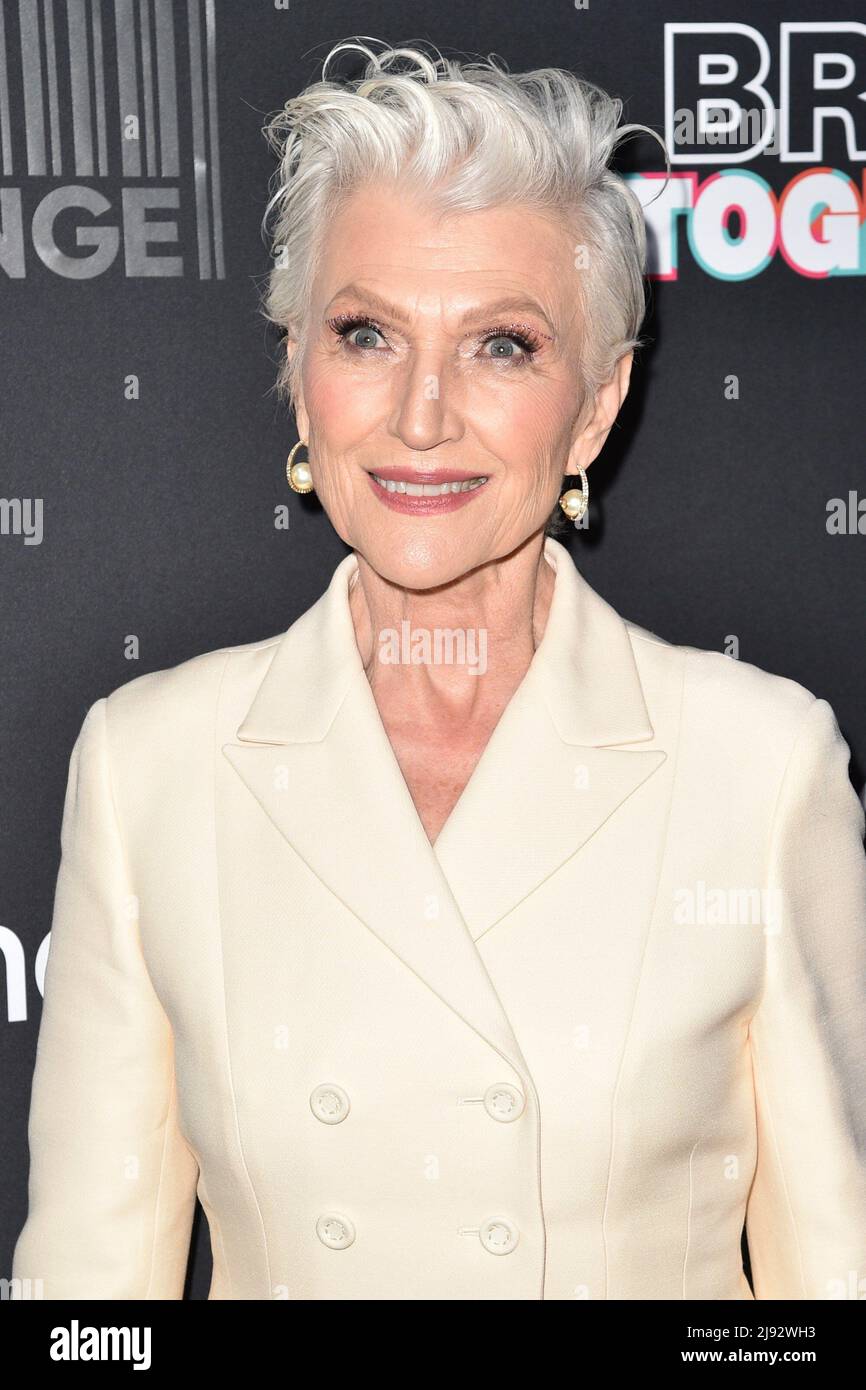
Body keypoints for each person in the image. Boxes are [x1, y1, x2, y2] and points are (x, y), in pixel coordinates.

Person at [13, 38, 866, 1301]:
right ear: (300, 380)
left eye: (501, 346)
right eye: (365, 334)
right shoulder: (151, 767)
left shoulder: (757, 766)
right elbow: (89, 1314)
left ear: (594, 406)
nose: (419, 414)